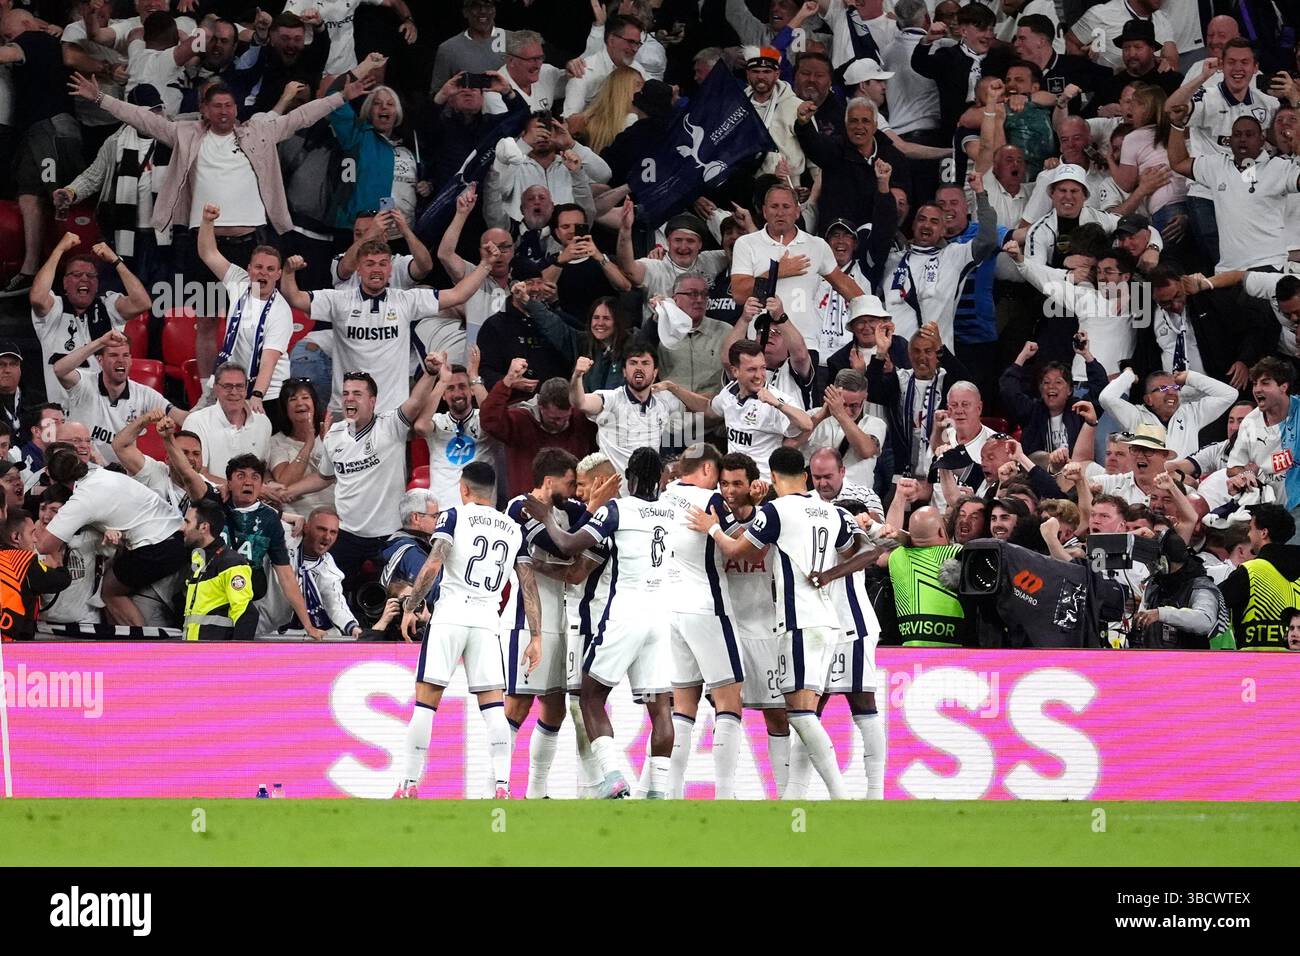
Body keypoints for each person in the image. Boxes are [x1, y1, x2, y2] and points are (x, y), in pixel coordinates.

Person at [69, 72, 369, 282]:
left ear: (237, 109)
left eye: (229, 106)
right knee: (208, 318)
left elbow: (301, 116)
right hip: (203, 245)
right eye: (217, 106)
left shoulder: (259, 132)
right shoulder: (184, 134)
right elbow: (141, 117)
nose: (224, 111)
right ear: (204, 110)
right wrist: (99, 98)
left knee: (252, 318)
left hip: (251, 243)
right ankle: (206, 376)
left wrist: (342, 96)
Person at [689, 444, 865, 799]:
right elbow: (858, 553)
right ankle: (794, 797)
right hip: (826, 622)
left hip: (796, 622)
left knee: (798, 714)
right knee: (802, 711)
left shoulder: (775, 511)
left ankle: (838, 794)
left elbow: (736, 550)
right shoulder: (831, 512)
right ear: (805, 474)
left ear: (769, 477)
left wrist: (712, 529)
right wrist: (829, 574)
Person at [516, 446, 681, 799]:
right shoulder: (669, 512)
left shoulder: (617, 510)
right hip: (661, 617)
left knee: (590, 696)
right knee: (659, 703)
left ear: (630, 478)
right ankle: (660, 792)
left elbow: (568, 542)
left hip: (624, 615)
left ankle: (613, 775)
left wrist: (546, 516)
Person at [394, 460, 542, 800]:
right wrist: (536, 635)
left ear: (463, 489)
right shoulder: (512, 528)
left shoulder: (454, 516)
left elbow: (434, 562)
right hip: (488, 621)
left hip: (450, 616)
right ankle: (503, 786)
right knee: (493, 707)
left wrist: (412, 605)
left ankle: (409, 783)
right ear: (492, 492)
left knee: (426, 702)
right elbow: (527, 583)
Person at [275, 358, 447, 581]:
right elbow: (325, 476)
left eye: (357, 394)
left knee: (390, 596)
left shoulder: (390, 425)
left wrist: (431, 373)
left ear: (372, 401)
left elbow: (414, 402)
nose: (349, 399)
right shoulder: (334, 434)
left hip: (388, 535)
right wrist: (289, 491)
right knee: (334, 590)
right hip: (347, 534)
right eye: (345, 393)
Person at [279, 242, 491, 412]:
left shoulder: (406, 300)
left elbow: (458, 294)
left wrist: (486, 265)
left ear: (390, 269)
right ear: (359, 270)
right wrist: (288, 273)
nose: (376, 269)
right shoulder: (339, 301)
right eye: (370, 264)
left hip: (392, 413)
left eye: (382, 264)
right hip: (345, 410)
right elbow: (295, 298)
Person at [651, 443, 747, 799]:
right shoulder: (711, 503)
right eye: (719, 477)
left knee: (684, 704)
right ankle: (725, 794)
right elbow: (743, 540)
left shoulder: (663, 496)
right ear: (707, 470)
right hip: (707, 609)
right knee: (729, 699)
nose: (722, 486)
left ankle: (672, 794)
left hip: (670, 610)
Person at [500, 448, 588, 798]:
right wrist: (579, 538)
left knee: (555, 707)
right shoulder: (518, 507)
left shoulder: (571, 510)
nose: (575, 491)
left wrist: (591, 512)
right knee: (518, 704)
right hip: (527, 619)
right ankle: (497, 784)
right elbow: (558, 545)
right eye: (569, 483)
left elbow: (593, 535)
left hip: (563, 620)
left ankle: (536, 792)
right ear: (549, 481)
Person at [36, 447, 187, 628]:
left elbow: (45, 545)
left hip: (156, 546)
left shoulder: (83, 498)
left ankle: (142, 646)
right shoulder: (102, 474)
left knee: (109, 592)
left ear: (56, 482)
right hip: (179, 535)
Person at [1165, 39, 1282, 269]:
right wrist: (1201, 77)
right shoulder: (1207, 98)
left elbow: (1287, 142)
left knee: (1253, 261)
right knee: (1226, 264)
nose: (1238, 68)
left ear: (1255, 67)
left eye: (1244, 62)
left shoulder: (1268, 104)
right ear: (1222, 65)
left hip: (1248, 194)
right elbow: (1171, 108)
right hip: (1208, 194)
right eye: (1231, 62)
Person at [714, 451, 789, 793]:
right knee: (724, 710)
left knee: (777, 715)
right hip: (723, 629)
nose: (730, 491)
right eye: (724, 483)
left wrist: (761, 504)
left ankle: (787, 793)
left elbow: (755, 551)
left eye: (737, 484)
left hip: (763, 628)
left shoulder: (769, 520)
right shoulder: (710, 519)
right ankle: (726, 792)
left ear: (751, 484)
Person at [730, 183, 866, 363]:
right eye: (774, 206)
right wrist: (778, 271)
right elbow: (739, 294)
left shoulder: (816, 245)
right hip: (762, 344)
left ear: (797, 211)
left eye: (786, 206)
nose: (780, 212)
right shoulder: (746, 244)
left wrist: (872, 313)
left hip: (806, 343)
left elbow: (843, 283)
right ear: (764, 211)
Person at [1167, 112, 1300, 274]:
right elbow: (1179, 163)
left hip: (1269, 266)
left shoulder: (1279, 168)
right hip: (1228, 270)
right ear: (1229, 141)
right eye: (1237, 135)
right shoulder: (1217, 166)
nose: (1243, 139)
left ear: (1262, 140)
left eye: (1249, 134)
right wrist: (1176, 126)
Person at [29, 233, 151, 405]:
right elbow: (37, 297)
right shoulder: (54, 309)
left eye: (91, 276)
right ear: (65, 283)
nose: (85, 279)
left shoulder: (108, 307)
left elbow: (142, 303)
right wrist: (59, 249)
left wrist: (116, 261)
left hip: (102, 410)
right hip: (63, 414)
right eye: (77, 274)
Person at [883, 170, 999, 348]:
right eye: (922, 219)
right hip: (896, 357)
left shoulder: (954, 256)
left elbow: (988, 239)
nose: (927, 225)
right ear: (913, 225)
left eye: (935, 221)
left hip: (935, 359)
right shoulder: (891, 261)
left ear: (944, 231)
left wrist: (980, 194)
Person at [195, 204, 293, 407]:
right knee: (194, 425)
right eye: (258, 267)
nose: (263, 273)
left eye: (270, 269)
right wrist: (207, 222)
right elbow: (208, 253)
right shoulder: (239, 283)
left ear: (278, 274)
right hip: (232, 385)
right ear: (249, 269)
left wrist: (256, 396)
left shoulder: (280, 312)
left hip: (268, 395)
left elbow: (268, 361)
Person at [53, 329, 178, 464]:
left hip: (121, 476)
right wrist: (100, 342)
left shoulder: (144, 394)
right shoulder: (84, 384)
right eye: (113, 355)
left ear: (131, 360)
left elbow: (181, 417)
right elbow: (59, 370)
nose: (120, 360)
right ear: (100, 360)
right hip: (81, 469)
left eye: (125, 355)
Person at [867, 321, 972, 480]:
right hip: (903, 469)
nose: (921, 357)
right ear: (909, 355)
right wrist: (881, 352)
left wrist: (942, 348)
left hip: (940, 466)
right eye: (916, 351)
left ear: (937, 355)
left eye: (928, 351)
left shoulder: (947, 381)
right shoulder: (900, 380)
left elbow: (969, 384)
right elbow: (872, 391)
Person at [479, 367, 598, 497]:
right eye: (555, 418)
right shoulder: (520, 421)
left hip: (574, 508)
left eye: (565, 417)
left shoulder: (582, 419)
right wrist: (506, 383)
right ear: (541, 407)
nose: (560, 423)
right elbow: (489, 421)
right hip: (527, 508)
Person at [571, 342, 686, 475]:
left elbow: (704, 411)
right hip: (615, 492)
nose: (639, 368)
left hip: (650, 491)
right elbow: (580, 402)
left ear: (655, 372)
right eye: (633, 363)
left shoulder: (664, 402)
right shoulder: (611, 399)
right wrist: (577, 376)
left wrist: (673, 387)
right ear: (624, 372)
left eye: (645, 363)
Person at [415, 351, 501, 512]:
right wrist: (442, 382)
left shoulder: (484, 421)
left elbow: (495, 419)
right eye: (450, 388)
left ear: (472, 390)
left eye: (462, 386)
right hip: (442, 512)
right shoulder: (437, 422)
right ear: (443, 395)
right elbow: (420, 426)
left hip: (481, 511)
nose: (457, 394)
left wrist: (474, 376)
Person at [1100, 367, 1240, 459]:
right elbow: (1106, 398)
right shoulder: (1135, 416)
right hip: (1149, 486)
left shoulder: (1191, 413)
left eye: (1174, 387)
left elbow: (1230, 394)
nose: (1171, 392)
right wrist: (1128, 376)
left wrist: (1190, 377)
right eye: (1163, 389)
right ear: (1148, 399)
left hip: (1185, 485)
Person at [264, 507, 361, 639]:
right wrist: (288, 516)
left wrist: (352, 627)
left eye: (333, 532)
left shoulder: (329, 568)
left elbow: (335, 603)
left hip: (299, 631)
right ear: (306, 527)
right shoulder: (285, 535)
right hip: (263, 622)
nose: (327, 537)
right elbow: (255, 507)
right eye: (321, 529)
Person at [1132, 530, 1236, 649]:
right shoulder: (1154, 585)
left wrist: (1161, 613)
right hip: (1158, 661)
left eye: (1153, 560)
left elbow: (1205, 620)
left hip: (1200, 662)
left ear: (1164, 562)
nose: (1150, 564)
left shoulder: (1201, 586)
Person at [1000, 341, 1107, 455]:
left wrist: (1086, 354)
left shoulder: (1079, 410)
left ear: (1070, 390)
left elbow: (1100, 388)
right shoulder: (1031, 411)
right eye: (1046, 382)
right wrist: (1023, 356)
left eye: (1058, 382)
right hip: (1039, 470)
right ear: (1041, 390)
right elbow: (1008, 390)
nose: (1051, 386)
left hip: (1074, 470)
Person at [1219, 504, 1300, 650]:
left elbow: (1215, 602)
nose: (1249, 535)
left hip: (1256, 666)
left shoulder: (1249, 572)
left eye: (1250, 529)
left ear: (1263, 533)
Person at [179, 498, 254, 642]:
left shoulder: (231, 563)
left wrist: (238, 658)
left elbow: (246, 614)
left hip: (216, 657)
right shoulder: (198, 559)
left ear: (204, 527)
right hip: (194, 652)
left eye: (187, 522)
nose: (183, 528)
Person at [183, 363, 273, 481]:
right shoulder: (196, 421)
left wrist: (270, 484)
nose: (234, 392)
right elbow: (197, 473)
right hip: (212, 497)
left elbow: (263, 470)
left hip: (254, 496)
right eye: (227, 386)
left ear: (246, 390)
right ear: (215, 389)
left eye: (240, 386)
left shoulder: (263, 422)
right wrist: (248, 490)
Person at [267, 380, 334, 517]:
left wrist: (328, 444)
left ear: (314, 403)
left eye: (305, 397)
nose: (300, 403)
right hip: (299, 518)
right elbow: (284, 482)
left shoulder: (332, 435)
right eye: (293, 399)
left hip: (335, 517)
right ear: (285, 409)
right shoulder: (277, 442)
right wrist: (308, 444)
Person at [1, 508, 71, 640]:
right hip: (10, 644)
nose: (35, 539)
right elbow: (62, 580)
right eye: (32, 533)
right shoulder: (23, 561)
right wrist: (57, 558)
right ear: (16, 537)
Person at [431, 0, 511, 93]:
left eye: (488, 4)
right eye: (476, 5)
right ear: (465, 12)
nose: (483, 10)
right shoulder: (448, 49)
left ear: (494, 10)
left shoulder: (515, 41)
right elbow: (438, 95)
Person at [380, 488, 441, 599]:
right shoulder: (412, 553)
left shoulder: (398, 540)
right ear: (416, 518)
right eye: (434, 516)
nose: (439, 521)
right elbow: (434, 593)